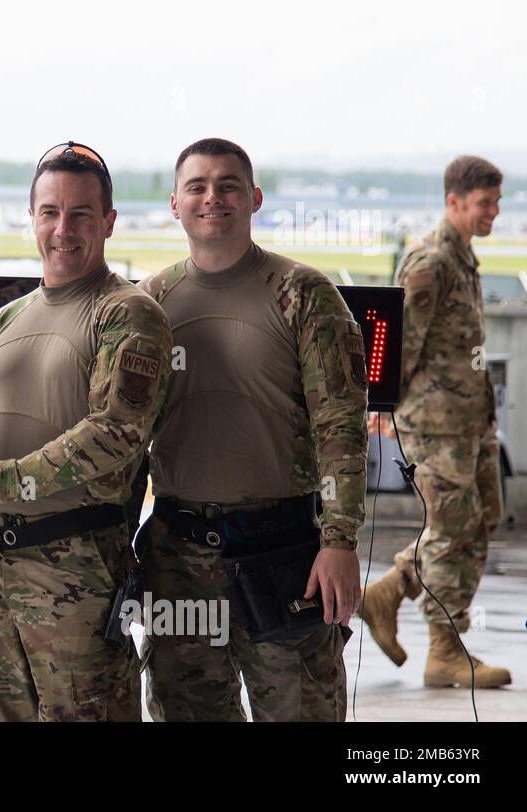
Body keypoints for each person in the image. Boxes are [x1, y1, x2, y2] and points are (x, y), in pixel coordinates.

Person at [0, 142, 173, 721]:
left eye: (82, 213)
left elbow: (114, 434)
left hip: (75, 570)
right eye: (50, 212)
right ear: (32, 217)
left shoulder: (127, 315)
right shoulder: (4, 320)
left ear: (109, 221)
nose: (64, 228)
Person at [136, 138, 368, 721]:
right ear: (174, 204)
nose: (212, 197)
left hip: (285, 551)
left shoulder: (304, 295)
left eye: (228, 185)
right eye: (197, 186)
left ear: (254, 197)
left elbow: (340, 427)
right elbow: (122, 436)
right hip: (178, 558)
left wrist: (339, 542)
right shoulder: (149, 304)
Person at [359, 155, 511, 688]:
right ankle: (445, 651)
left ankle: (390, 589)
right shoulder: (430, 262)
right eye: (484, 203)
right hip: (436, 426)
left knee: (480, 520)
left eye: (496, 201)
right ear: (454, 201)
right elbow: (399, 346)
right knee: (449, 532)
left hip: (471, 423)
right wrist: (381, 411)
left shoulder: (464, 257)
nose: (494, 211)